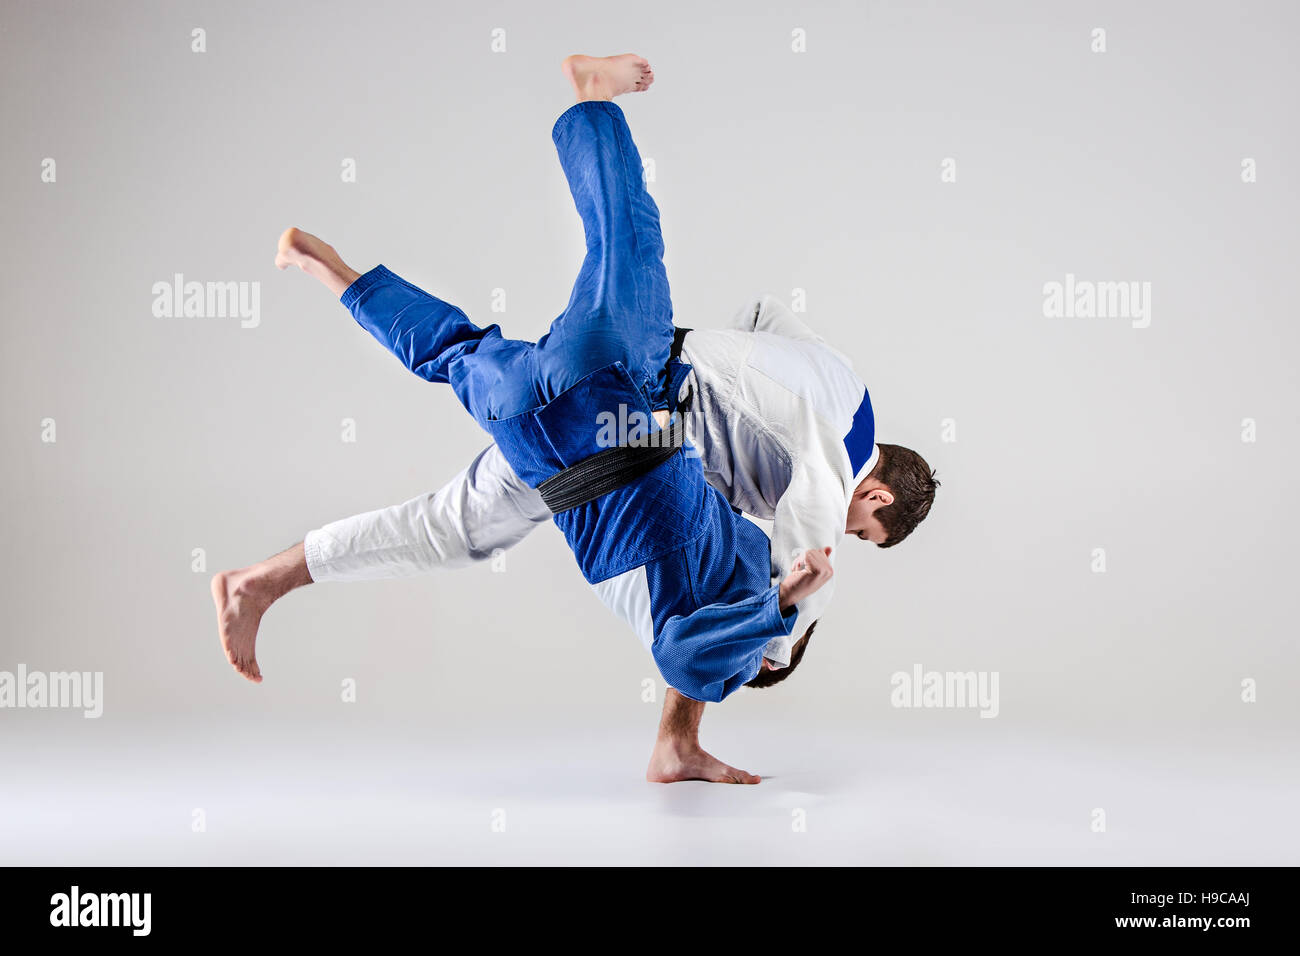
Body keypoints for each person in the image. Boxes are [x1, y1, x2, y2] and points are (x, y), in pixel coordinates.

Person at [213, 53, 939, 784]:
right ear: (875, 495)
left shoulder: (845, 386)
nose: (848, 531)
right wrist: (786, 624)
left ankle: (264, 576)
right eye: (863, 528)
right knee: (498, 334)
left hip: (620, 424)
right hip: (625, 384)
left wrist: (723, 375)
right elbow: (806, 570)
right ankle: (586, 99)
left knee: (457, 521)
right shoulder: (831, 467)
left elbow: (766, 314)